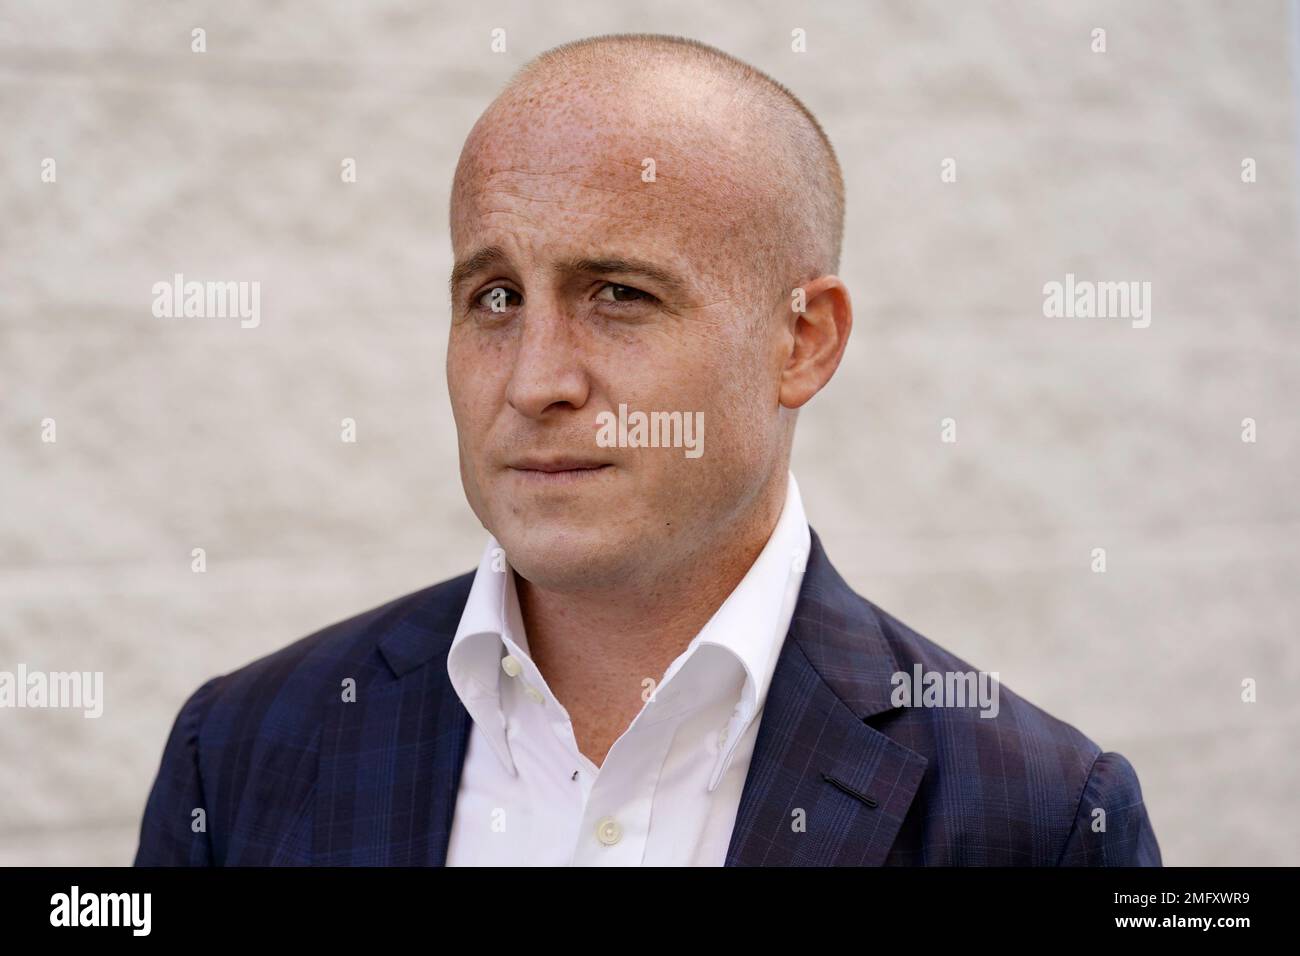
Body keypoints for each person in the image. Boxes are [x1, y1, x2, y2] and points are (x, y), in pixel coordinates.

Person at [135, 33, 1160, 866]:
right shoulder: (240, 751)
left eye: (618, 294)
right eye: (494, 297)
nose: (537, 379)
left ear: (801, 340)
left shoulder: (1037, 820)